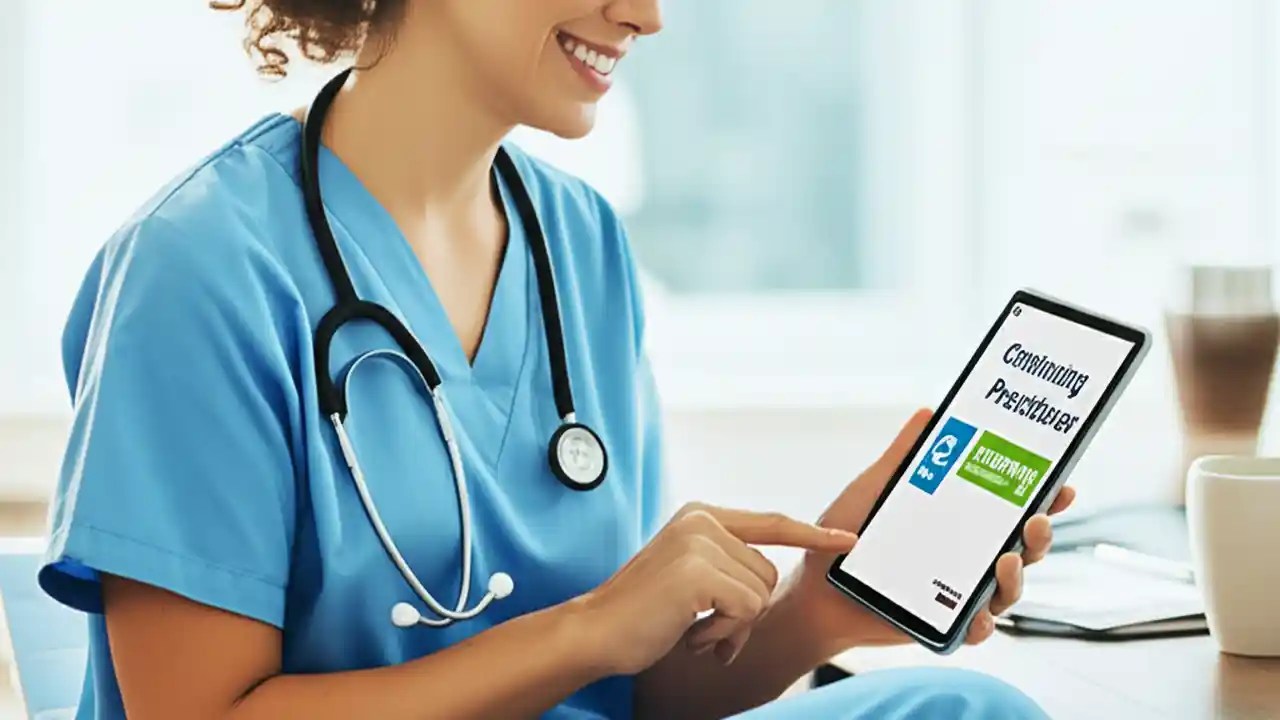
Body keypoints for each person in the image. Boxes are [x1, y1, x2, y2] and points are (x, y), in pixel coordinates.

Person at [38, 1, 1071, 718]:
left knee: (964, 706)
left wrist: (816, 608)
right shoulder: (198, 269)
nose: (647, 14)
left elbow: (623, 694)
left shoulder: (577, 241)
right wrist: (583, 631)